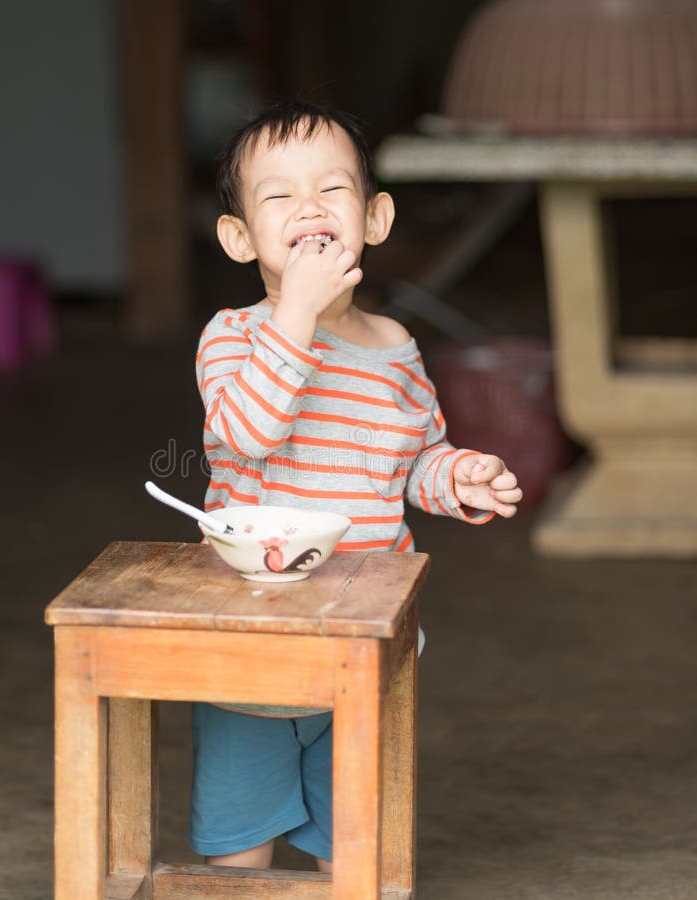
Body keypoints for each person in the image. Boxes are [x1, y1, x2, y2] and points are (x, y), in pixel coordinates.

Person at [191, 100, 522, 873]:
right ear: (241, 238)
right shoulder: (232, 338)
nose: (308, 207)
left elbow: (410, 462)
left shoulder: (395, 347)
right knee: (240, 854)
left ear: (374, 219)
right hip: (254, 640)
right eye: (279, 196)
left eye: (331, 190)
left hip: (363, 637)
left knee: (356, 853)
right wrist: (297, 314)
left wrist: (459, 477)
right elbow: (247, 433)